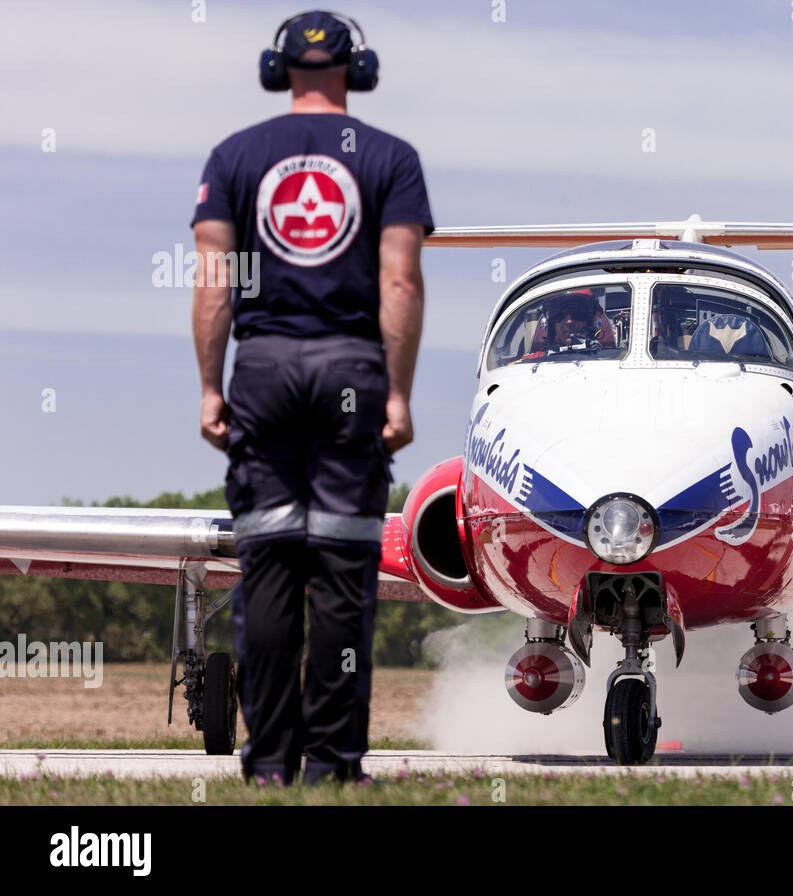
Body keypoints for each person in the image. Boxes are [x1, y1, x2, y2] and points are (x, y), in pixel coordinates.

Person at [190, 10, 433, 785]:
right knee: (339, 570)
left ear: (277, 69)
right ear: (359, 72)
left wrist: (210, 385)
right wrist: (396, 394)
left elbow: (214, 283)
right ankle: (332, 766)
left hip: (261, 370)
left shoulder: (234, 156)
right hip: (350, 377)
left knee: (266, 566)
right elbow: (399, 281)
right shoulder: (392, 160)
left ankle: (267, 767)